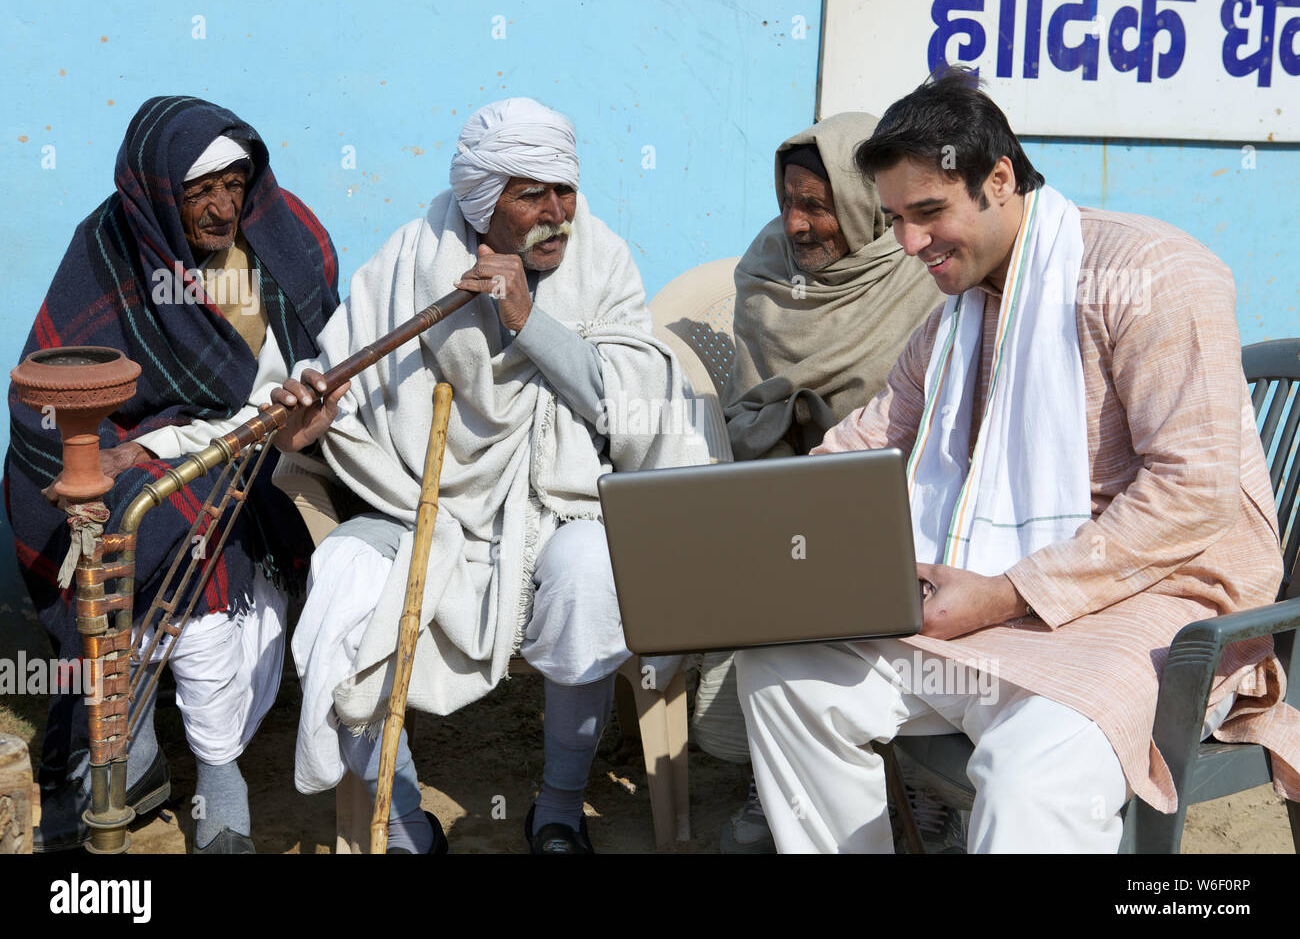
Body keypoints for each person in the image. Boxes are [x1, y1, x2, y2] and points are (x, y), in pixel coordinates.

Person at [735, 68, 1300, 853]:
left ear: (999, 178)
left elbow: (1191, 492)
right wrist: (743, 531)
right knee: (784, 672)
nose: (909, 243)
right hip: (982, 597)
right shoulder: (954, 318)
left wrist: (1007, 593)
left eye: (929, 212)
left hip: (1153, 602)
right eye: (896, 217)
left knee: (1031, 774)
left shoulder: (1152, 275)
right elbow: (865, 445)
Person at [274, 97, 706, 854]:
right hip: (420, 501)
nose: (555, 212)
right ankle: (406, 822)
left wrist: (526, 321)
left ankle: (559, 809)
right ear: (483, 202)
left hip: (554, 504)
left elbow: (623, 401)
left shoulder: (600, 257)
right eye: (529, 194)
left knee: (591, 575)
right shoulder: (413, 258)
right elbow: (342, 384)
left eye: (564, 189)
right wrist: (310, 424)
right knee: (341, 582)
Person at [5, 96, 340, 853]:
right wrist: (104, 449)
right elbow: (52, 380)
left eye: (236, 183)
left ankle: (210, 778)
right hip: (141, 446)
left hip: (260, 455)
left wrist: (166, 448)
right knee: (102, 514)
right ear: (158, 191)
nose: (225, 207)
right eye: (201, 191)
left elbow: (293, 398)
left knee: (187, 535)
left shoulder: (284, 242)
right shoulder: (110, 245)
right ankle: (121, 750)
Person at [707, 113, 942, 852]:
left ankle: (921, 787)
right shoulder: (767, 267)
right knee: (766, 555)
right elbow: (752, 398)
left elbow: (941, 415)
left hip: (914, 490)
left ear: (866, 204)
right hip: (792, 475)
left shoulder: (922, 276)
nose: (799, 225)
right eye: (790, 203)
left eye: (820, 204)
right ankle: (772, 778)